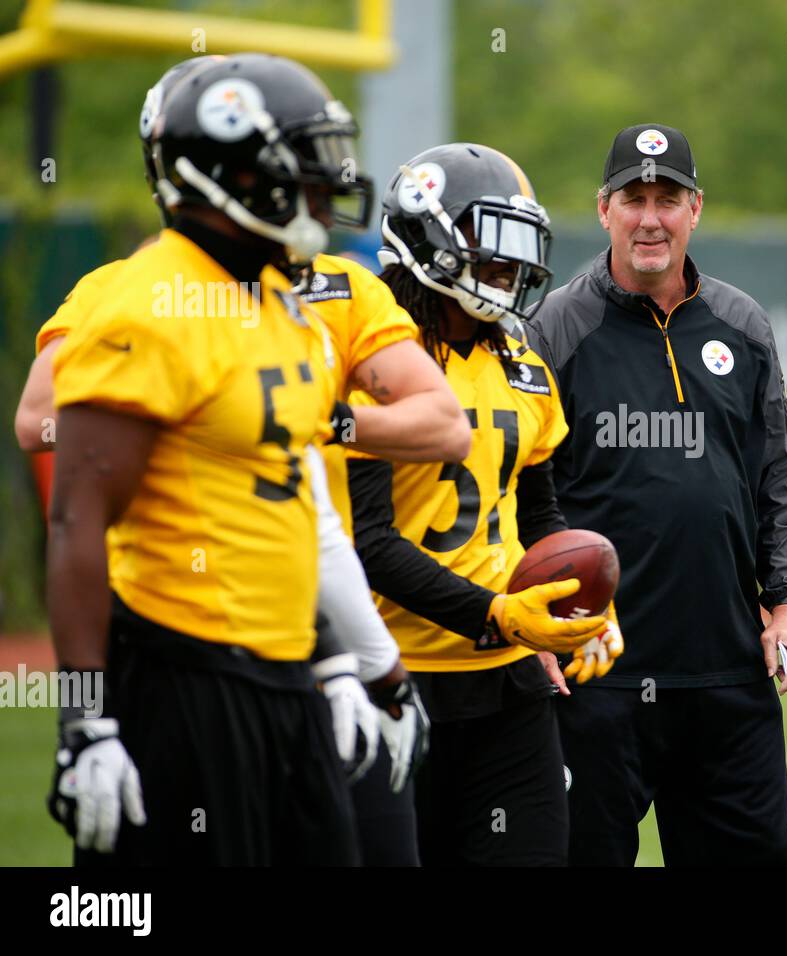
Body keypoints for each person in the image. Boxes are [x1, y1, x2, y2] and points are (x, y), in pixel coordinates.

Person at [19, 57, 469, 860]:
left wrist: (355, 665)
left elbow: (304, 512)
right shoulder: (142, 306)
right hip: (177, 675)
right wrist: (86, 721)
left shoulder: (284, 306)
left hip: (288, 675)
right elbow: (77, 525)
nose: (324, 190)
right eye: (301, 170)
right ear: (226, 177)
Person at [528, 123, 787, 866]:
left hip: (727, 673)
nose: (650, 217)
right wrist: (537, 632)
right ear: (603, 210)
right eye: (633, 198)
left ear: (696, 210)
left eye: (668, 198)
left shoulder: (743, 325)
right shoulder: (556, 327)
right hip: (595, 676)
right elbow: (523, 488)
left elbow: (776, 471)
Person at [347, 143, 620, 866]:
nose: (509, 269)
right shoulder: (379, 355)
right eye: (489, 246)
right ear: (428, 239)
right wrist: (494, 614)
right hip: (391, 677)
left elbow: (539, 517)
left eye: (517, 250)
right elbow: (366, 541)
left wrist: (578, 602)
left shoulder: (522, 359)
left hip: (509, 689)